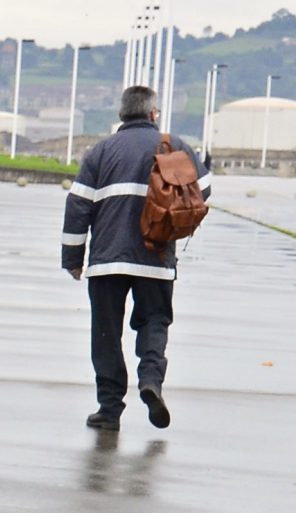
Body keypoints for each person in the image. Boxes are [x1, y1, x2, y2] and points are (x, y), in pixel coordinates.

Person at [60, 85, 213, 432]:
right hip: (156, 257)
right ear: (153, 114)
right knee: (154, 322)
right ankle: (151, 381)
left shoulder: (101, 151)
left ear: (121, 115)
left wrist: (73, 257)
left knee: (106, 333)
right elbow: (203, 190)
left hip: (107, 260)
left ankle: (109, 409)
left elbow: (78, 205)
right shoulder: (175, 146)